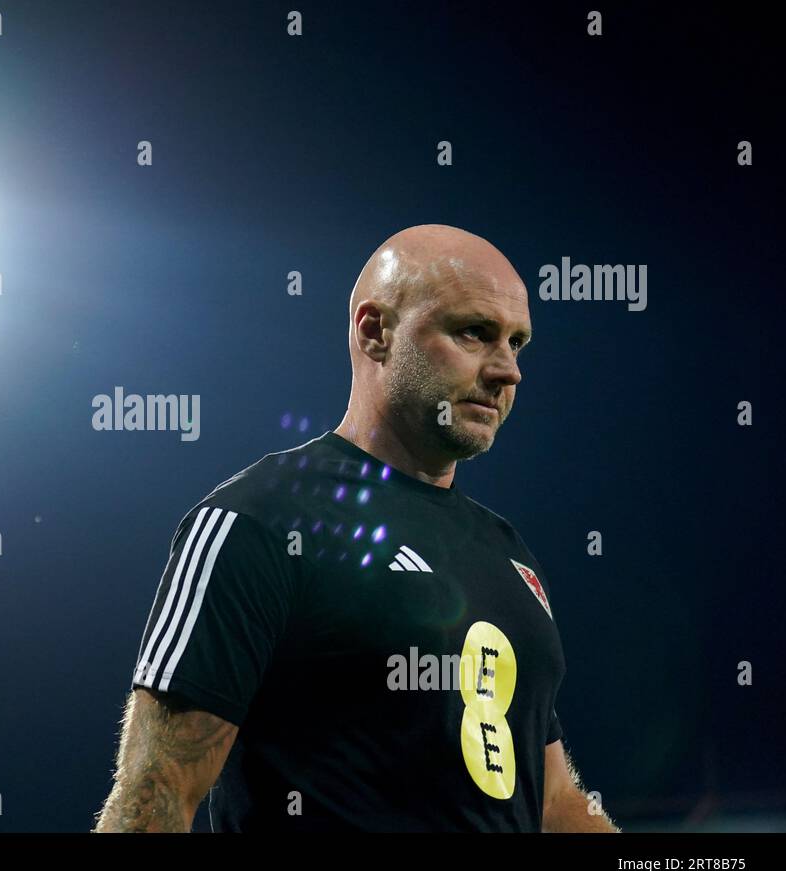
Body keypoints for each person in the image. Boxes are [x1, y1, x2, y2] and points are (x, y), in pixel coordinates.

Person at [93, 224, 619, 832]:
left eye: (517, 343)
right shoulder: (258, 521)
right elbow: (154, 798)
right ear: (375, 332)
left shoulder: (505, 549)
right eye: (474, 333)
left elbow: (552, 800)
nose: (509, 371)